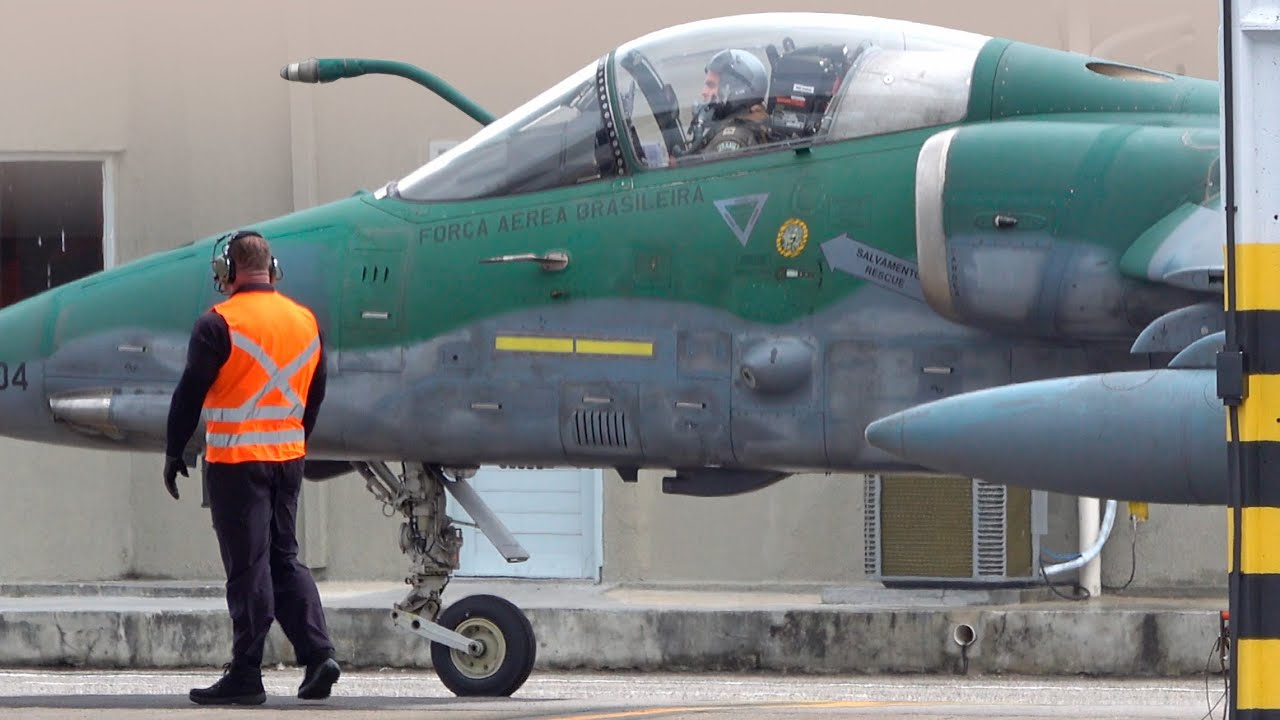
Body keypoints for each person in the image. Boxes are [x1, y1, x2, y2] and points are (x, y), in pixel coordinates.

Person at [163, 230, 340, 706]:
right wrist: (297, 442)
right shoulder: (305, 321)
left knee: (248, 567)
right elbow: (315, 393)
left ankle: (246, 675)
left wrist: (173, 450)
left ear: (228, 272)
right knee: (285, 557)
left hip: (237, 462)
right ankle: (318, 654)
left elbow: (188, 395)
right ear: (272, 269)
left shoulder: (218, 323)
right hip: (288, 458)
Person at [685, 48, 771, 155]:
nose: (704, 92)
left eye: (711, 85)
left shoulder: (730, 139)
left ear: (733, 89)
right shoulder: (758, 123)